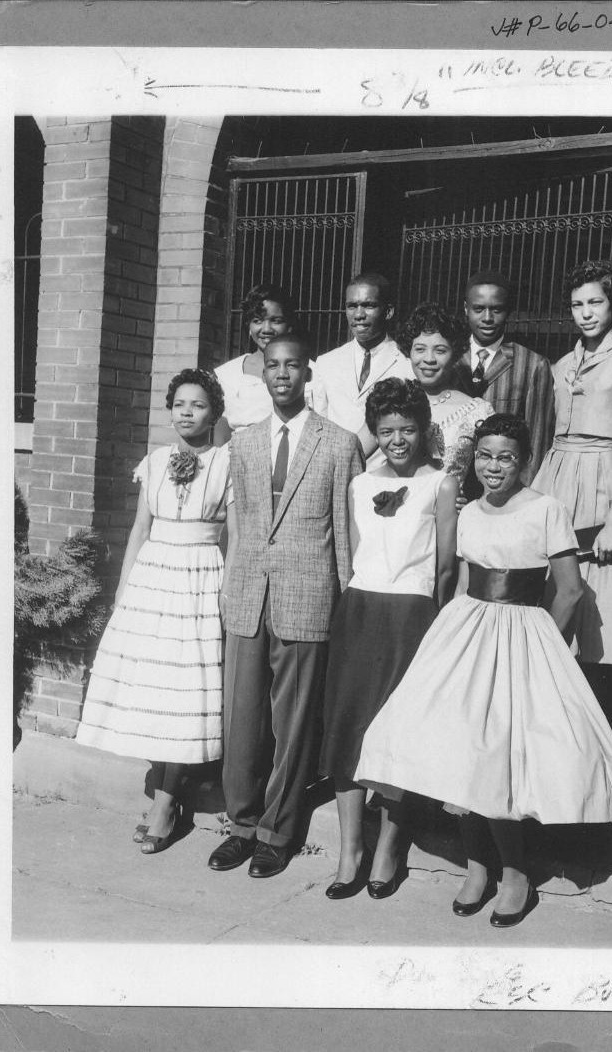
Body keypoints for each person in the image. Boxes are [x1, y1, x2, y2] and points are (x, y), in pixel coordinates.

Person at [355, 414, 612, 928]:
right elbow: (465, 580)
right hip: (467, 632)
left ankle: (515, 874)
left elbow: (571, 589)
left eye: (505, 457)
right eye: (485, 455)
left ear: (524, 460)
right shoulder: (468, 513)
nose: (493, 467)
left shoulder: (546, 509)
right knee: (460, 750)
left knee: (502, 760)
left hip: (523, 635)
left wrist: (541, 648)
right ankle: (477, 867)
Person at [207, 333, 363, 879]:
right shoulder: (244, 442)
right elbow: (241, 523)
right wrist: (231, 586)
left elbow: (345, 531)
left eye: (292, 366)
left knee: (293, 722)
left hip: (308, 595)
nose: (281, 375)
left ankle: (278, 830)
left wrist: (344, 599)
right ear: (262, 374)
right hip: (249, 593)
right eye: (272, 366)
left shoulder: (339, 443)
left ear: (307, 373)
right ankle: (242, 823)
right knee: (242, 719)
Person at [76, 368, 233, 854]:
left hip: (200, 576)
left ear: (215, 413)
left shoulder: (227, 463)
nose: (187, 412)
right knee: (154, 684)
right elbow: (140, 527)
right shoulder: (156, 460)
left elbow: (236, 534)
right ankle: (169, 788)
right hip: (154, 575)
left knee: (185, 687)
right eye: (180, 404)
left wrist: (226, 588)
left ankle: (166, 801)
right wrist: (125, 589)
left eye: (198, 405)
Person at [320, 378, 458, 901]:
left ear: (423, 430)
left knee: (399, 733)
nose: (397, 439)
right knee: (349, 727)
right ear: (374, 432)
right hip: (361, 610)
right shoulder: (359, 484)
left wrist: (432, 619)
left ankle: (388, 850)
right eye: (385, 430)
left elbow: (446, 567)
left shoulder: (442, 484)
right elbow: (355, 555)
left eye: (407, 429)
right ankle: (349, 849)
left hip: (412, 614)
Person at [532, 261, 612, 749]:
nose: (585, 313)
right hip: (556, 478)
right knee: (547, 611)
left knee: (598, 631)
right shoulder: (561, 365)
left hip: (604, 483)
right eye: (577, 304)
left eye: (595, 302)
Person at [356, 302, 494, 493]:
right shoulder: (391, 400)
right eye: (420, 349)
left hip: (449, 517)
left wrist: (470, 503)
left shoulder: (478, 410)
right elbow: (352, 453)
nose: (429, 359)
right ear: (409, 351)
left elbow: (492, 474)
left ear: (454, 355)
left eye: (440, 350)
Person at [453, 271, 554, 484]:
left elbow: (536, 443)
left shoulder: (532, 365)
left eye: (496, 310)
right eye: (478, 309)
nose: (487, 318)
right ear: (465, 309)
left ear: (508, 311)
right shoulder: (449, 358)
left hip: (503, 489)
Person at [311, 272, 413, 467]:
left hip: (387, 474)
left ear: (388, 311)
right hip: (334, 470)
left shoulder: (407, 363)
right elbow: (318, 424)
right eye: (352, 306)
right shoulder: (326, 362)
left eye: (369, 305)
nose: (359, 315)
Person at [213, 283, 325, 444]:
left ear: (289, 325)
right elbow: (221, 431)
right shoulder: (229, 373)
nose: (266, 328)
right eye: (257, 320)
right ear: (249, 326)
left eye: (276, 321)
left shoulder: (312, 371)